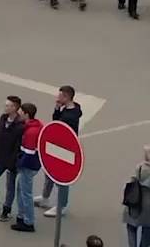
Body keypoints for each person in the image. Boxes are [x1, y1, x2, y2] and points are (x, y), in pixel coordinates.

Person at [40, 85, 85, 218]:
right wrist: (57, 108)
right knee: (49, 172)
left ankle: (62, 205)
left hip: (66, 149)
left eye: (60, 96)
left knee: (62, 179)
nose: (57, 97)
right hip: (58, 146)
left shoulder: (70, 116)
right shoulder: (70, 107)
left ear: (66, 97)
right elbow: (55, 120)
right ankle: (45, 197)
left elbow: (57, 125)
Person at [13, 100, 45, 232]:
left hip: (28, 166)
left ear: (26, 114)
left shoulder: (31, 132)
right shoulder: (36, 126)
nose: (18, 115)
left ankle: (28, 221)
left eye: (20, 113)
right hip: (32, 165)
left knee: (26, 193)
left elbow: (28, 153)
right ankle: (22, 216)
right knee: (21, 190)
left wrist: (18, 164)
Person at [124, 145, 150, 247]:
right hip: (149, 209)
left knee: (131, 227)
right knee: (147, 230)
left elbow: (132, 181)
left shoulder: (140, 168)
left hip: (136, 203)